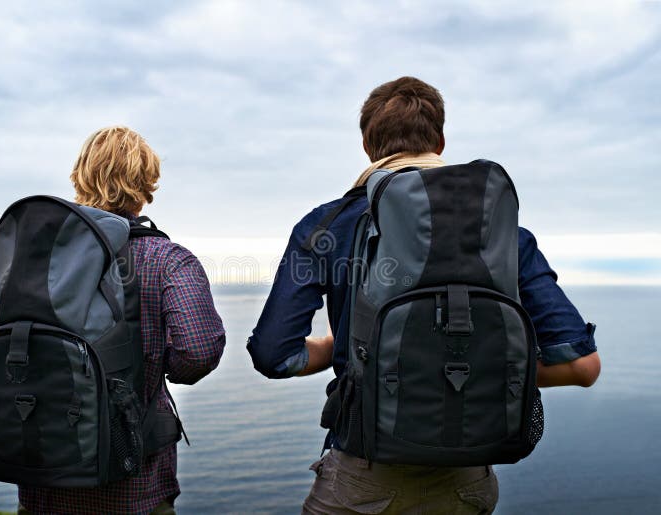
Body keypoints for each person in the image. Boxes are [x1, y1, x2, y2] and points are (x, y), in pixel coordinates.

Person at [247, 77, 601, 514]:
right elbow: (582, 367)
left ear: (367, 148)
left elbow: (273, 356)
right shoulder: (505, 233)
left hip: (361, 480)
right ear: (440, 140)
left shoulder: (327, 227)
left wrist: (350, 352)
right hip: (465, 485)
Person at [0, 126, 226, 515]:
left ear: (80, 177)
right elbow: (197, 353)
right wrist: (149, 366)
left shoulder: (36, 258)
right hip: (135, 490)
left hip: (42, 492)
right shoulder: (169, 260)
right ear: (148, 182)